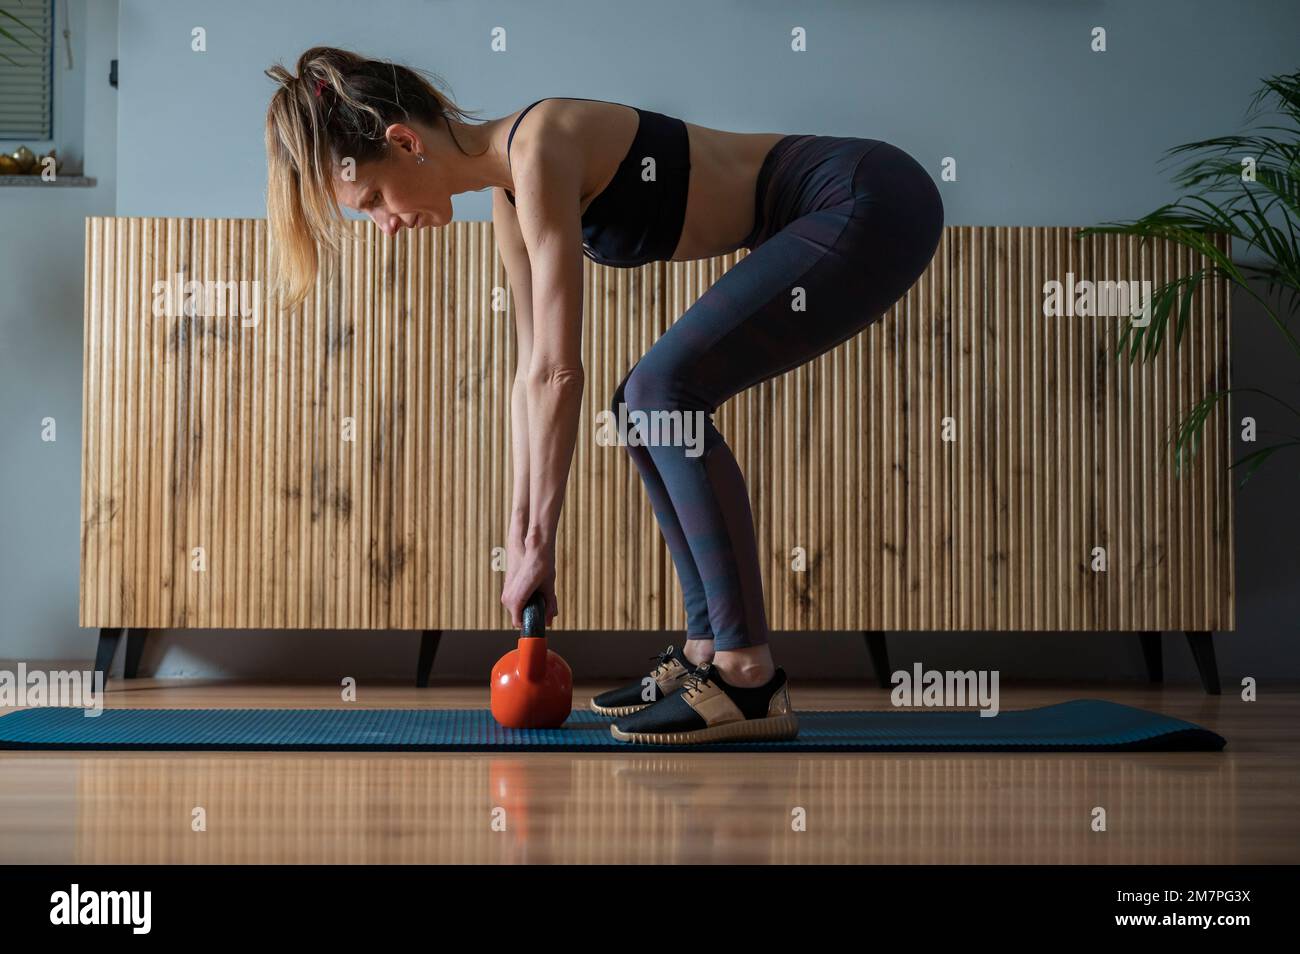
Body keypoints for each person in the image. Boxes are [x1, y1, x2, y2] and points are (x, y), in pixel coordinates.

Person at [264, 46, 943, 745]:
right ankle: (707, 652)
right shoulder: (506, 194)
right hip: (833, 208)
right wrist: (520, 534)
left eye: (373, 200)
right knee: (639, 406)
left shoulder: (540, 144)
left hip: (868, 197)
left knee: (659, 394)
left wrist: (541, 544)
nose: (385, 224)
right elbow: (530, 373)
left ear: (404, 142)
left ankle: (747, 675)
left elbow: (563, 369)